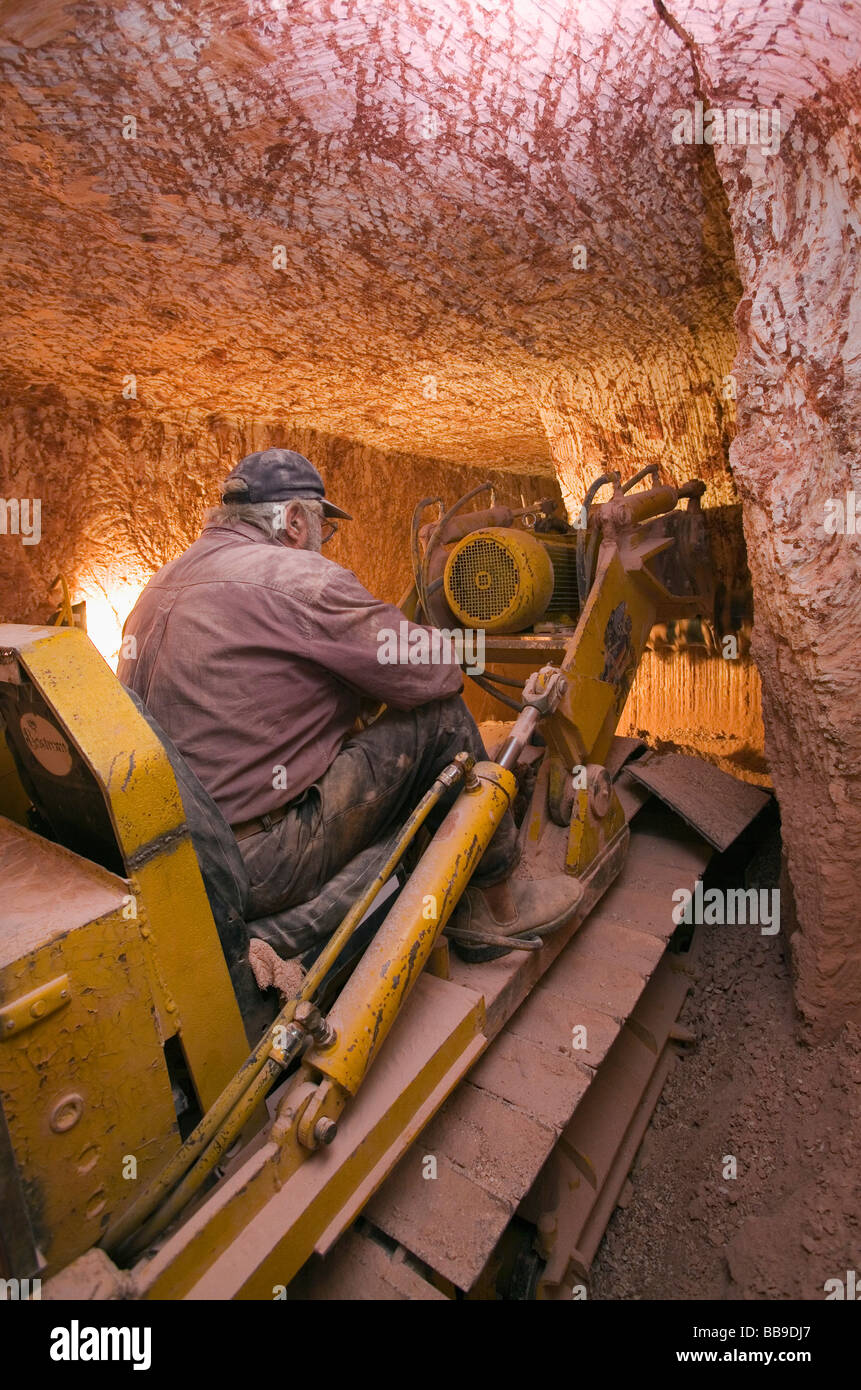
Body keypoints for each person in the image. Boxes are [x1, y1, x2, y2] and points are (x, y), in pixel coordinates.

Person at [118, 448, 579, 954]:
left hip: (177, 857)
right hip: (258, 861)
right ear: (294, 520)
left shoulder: (158, 583)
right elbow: (436, 673)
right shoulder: (302, 579)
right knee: (439, 717)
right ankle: (498, 904)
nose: (324, 543)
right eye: (324, 529)